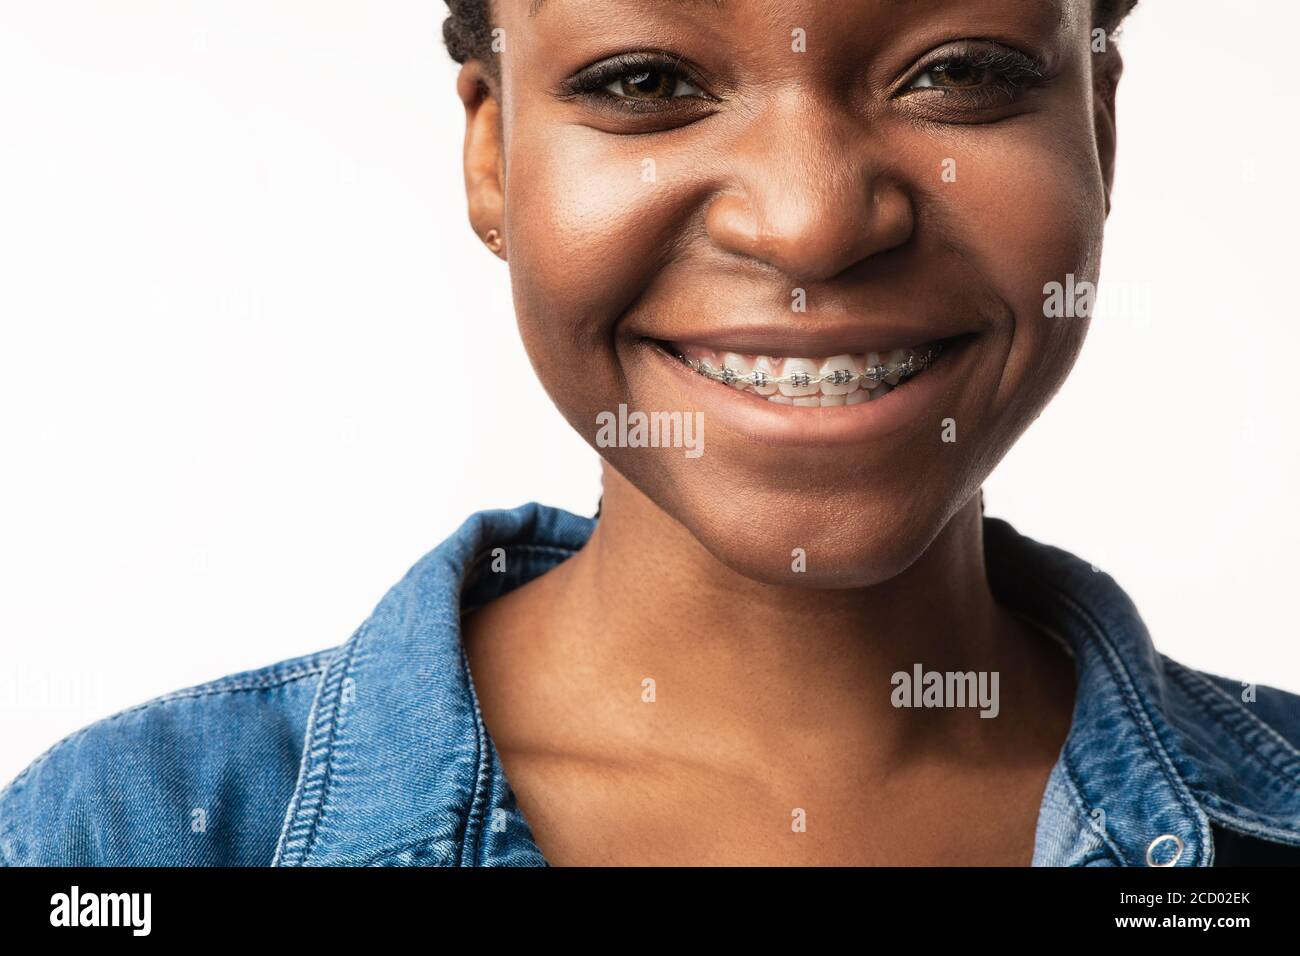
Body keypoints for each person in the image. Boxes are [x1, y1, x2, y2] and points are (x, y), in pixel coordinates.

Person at [3, 0, 1299, 867]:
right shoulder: (122, 843)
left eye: (958, 73)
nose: (809, 225)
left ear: (1102, 125)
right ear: (497, 152)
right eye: (647, 82)